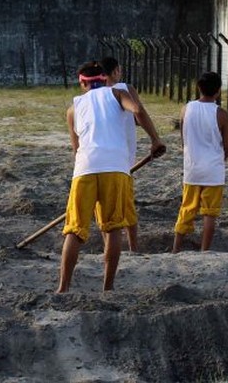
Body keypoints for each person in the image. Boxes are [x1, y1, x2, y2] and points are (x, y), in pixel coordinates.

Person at [57, 60, 166, 293]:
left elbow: (76, 149)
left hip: (85, 168)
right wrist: (155, 139)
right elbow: (137, 110)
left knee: (74, 230)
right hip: (116, 167)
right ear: (103, 79)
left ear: (82, 84)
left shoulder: (73, 109)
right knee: (113, 227)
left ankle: (63, 287)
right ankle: (108, 286)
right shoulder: (117, 93)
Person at [174, 71, 228, 252]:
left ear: (199, 87)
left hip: (192, 168)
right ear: (218, 91)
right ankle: (204, 249)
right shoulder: (221, 114)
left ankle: (176, 247)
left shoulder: (186, 109)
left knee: (187, 209)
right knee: (210, 213)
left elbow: (183, 139)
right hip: (213, 170)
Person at [100, 56, 141, 252]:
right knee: (126, 206)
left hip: (99, 160)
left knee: (103, 210)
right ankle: (133, 248)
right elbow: (138, 115)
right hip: (122, 159)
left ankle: (107, 246)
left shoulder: (93, 95)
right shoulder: (125, 90)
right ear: (115, 71)